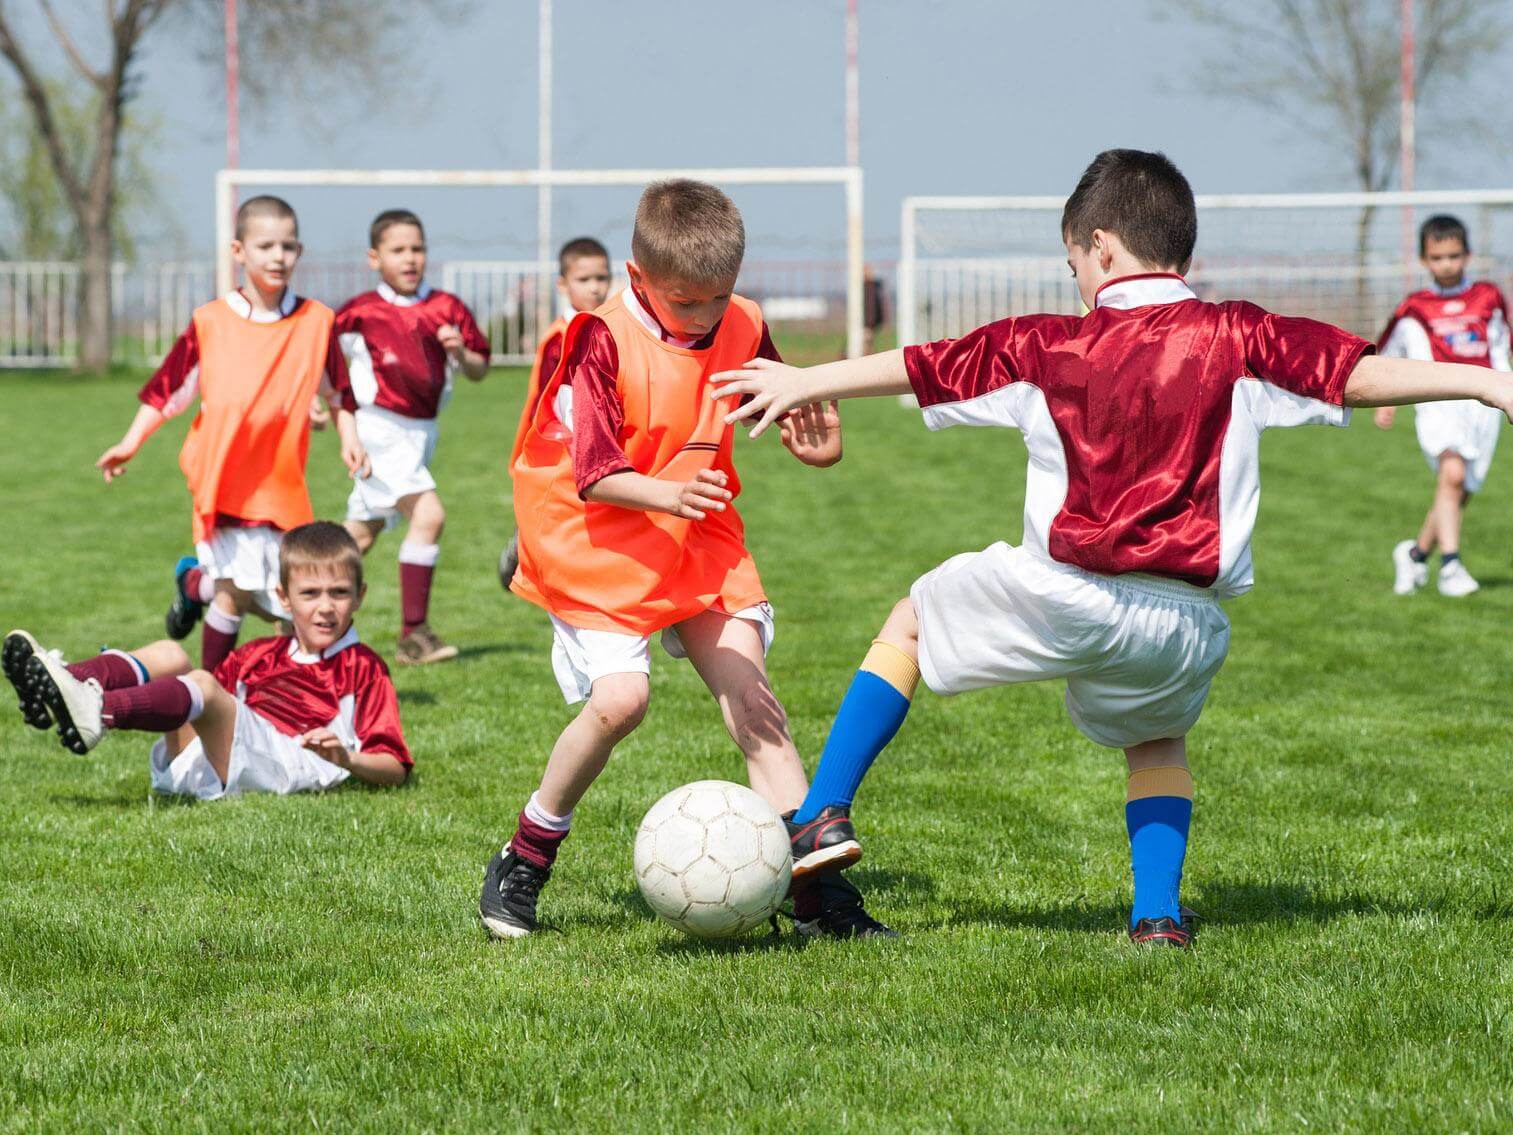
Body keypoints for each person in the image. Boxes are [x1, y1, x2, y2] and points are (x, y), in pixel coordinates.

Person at [711, 149, 1513, 947]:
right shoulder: (1240, 334)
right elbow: (1357, 375)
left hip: (1067, 590)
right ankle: (1156, 916)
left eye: (1072, 266)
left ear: (1099, 247)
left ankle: (820, 814)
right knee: (1157, 740)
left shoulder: (1048, 345)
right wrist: (1481, 382)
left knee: (910, 622)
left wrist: (807, 380)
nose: (1078, 283)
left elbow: (925, 367)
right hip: (1187, 622)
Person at [479, 179, 892, 940]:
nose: (704, 316)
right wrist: (668, 496)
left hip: (695, 528)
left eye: (717, 298)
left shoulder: (742, 323)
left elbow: (782, 404)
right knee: (620, 702)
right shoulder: (598, 339)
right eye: (683, 302)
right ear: (638, 279)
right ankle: (526, 855)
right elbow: (596, 472)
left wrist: (818, 444)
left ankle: (816, 899)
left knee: (753, 700)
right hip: (594, 537)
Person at [98, 195, 369, 673]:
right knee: (235, 593)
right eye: (265, 245)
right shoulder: (211, 321)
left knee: (284, 605)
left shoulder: (316, 322)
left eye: (287, 246)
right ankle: (212, 692)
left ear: (299, 251)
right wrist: (129, 443)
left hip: (283, 484)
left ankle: (198, 593)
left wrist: (350, 438)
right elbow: (168, 391)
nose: (277, 256)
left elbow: (339, 392)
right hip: (221, 478)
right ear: (238, 251)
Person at [3, 522, 410, 799]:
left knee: (202, 682)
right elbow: (197, 702)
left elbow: (396, 766)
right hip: (224, 761)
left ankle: (98, 709)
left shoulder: (364, 667)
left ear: (360, 596)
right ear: (283, 598)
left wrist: (346, 758)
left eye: (338, 593)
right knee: (172, 654)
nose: (326, 607)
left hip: (290, 763)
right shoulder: (259, 655)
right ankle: (64, 681)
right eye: (310, 594)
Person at [336, 209, 492, 663]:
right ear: (374, 257)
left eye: (417, 248)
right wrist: (326, 409)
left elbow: (481, 369)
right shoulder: (360, 312)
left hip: (422, 433)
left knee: (359, 536)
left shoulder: (446, 307)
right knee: (429, 515)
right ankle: (413, 634)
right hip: (379, 429)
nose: (410, 259)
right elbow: (322, 361)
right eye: (398, 250)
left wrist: (460, 352)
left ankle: (291, 597)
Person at [1374, 214, 1511, 597]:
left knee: (1458, 490)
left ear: (1466, 255)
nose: (1446, 264)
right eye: (1437, 257)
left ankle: (1416, 555)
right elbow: (1388, 354)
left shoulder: (1489, 296)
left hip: (1483, 405)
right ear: (1424, 260)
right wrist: (1387, 403)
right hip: (1438, 403)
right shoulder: (1414, 307)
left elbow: (1503, 346)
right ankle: (1450, 567)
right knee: (1451, 477)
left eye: (1453, 255)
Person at [499, 236, 613, 589]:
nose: (595, 288)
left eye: (601, 278)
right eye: (584, 280)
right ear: (563, 284)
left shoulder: (607, 328)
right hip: (557, 452)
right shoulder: (560, 338)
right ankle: (525, 546)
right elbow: (551, 408)